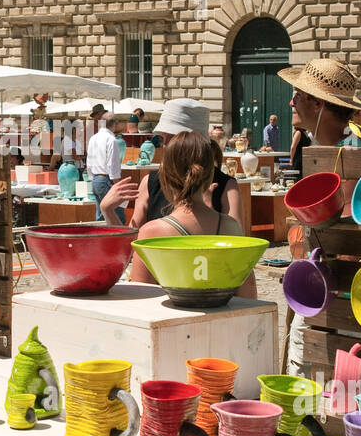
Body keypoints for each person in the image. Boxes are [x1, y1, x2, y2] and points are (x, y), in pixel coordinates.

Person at [276, 57, 361, 374]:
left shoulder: (351, 157)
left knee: (314, 382)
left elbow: (349, 240)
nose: (292, 101)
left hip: (335, 300)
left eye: (298, 95)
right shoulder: (329, 152)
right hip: (324, 293)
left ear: (317, 104)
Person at [130, 131, 257, 298]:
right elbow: (248, 295)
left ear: (165, 178)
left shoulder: (151, 232)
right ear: (210, 175)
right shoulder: (230, 227)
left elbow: (141, 299)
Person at [99, 98, 242, 227]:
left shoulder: (225, 185)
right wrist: (108, 210)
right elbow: (131, 244)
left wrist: (206, 213)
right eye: (162, 138)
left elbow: (236, 245)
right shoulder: (151, 182)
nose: (165, 144)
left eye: (170, 137)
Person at [87, 112, 125, 222]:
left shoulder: (93, 138)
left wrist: (92, 178)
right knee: (117, 217)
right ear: (115, 124)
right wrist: (118, 185)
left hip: (96, 179)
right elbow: (112, 165)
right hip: (106, 180)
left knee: (101, 218)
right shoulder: (111, 139)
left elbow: (89, 161)